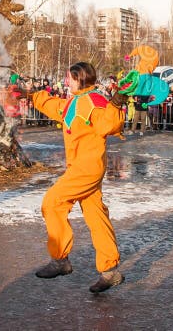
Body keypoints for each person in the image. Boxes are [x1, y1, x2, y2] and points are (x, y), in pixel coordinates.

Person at [30, 62, 127, 293]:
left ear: (79, 78)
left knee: (52, 202)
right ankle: (110, 271)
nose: (66, 82)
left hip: (87, 168)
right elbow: (57, 107)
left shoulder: (95, 100)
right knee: (95, 215)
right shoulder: (75, 100)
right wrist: (33, 95)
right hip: (82, 167)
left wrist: (115, 102)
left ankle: (60, 260)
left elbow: (109, 125)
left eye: (68, 78)